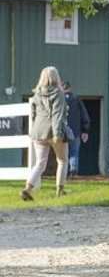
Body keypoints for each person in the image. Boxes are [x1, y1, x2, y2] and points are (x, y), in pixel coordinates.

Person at [21, 66, 69, 200]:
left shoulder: (36, 94)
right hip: (53, 131)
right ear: (56, 77)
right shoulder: (59, 93)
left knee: (40, 163)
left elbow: (33, 114)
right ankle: (60, 191)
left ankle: (28, 189)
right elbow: (57, 115)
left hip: (38, 132)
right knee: (62, 160)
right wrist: (57, 134)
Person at [61, 80, 90, 175]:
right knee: (74, 152)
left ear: (61, 88)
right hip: (75, 131)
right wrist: (85, 130)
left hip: (62, 131)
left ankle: (62, 172)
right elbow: (84, 115)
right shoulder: (76, 99)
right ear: (70, 88)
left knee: (63, 153)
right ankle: (73, 170)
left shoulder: (59, 99)